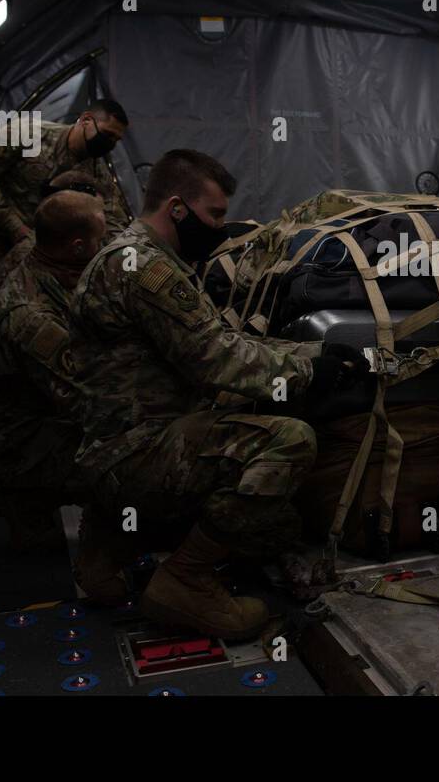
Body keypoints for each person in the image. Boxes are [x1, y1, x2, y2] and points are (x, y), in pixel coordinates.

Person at [68, 148, 370, 635]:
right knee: (287, 442)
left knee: (265, 500)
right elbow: (219, 359)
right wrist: (312, 374)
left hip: (108, 445)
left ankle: (112, 539)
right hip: (139, 453)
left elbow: (217, 341)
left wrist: (310, 355)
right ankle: (186, 578)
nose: (219, 228)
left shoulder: (125, 252)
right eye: (214, 215)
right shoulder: (149, 271)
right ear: (177, 209)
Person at [0, 190, 107, 551]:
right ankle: (28, 497)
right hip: (15, 444)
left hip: (18, 418)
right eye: (101, 238)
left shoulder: (35, 257)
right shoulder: (30, 319)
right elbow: (90, 397)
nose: (106, 244)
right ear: (76, 246)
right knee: (131, 456)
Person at [0, 99, 133, 327]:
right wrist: (12, 225)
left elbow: (114, 217)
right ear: (85, 120)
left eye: (116, 140)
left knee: (24, 324)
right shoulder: (28, 134)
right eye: (107, 134)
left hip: (38, 258)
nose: (110, 144)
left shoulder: (96, 170)